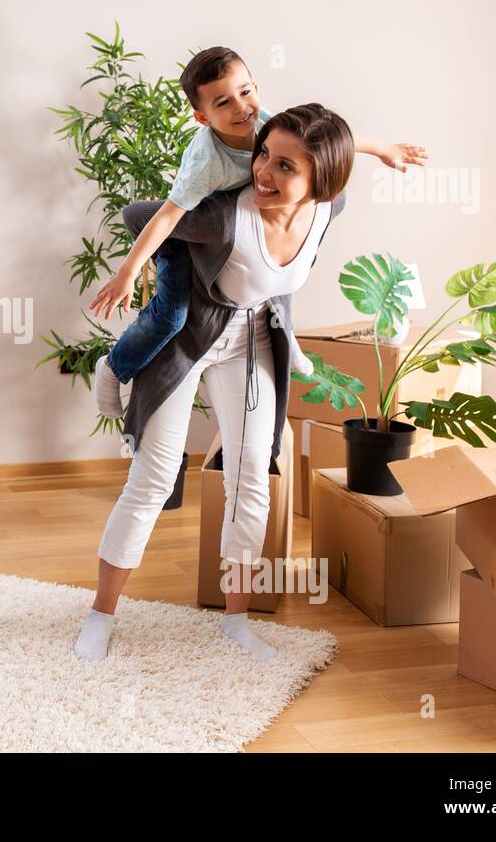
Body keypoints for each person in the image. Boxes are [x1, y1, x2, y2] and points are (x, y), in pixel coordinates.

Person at [75, 103, 364, 662]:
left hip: (254, 338)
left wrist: (380, 147)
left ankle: (235, 621)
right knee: (155, 477)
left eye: (285, 167)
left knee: (252, 474)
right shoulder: (225, 215)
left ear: (321, 182)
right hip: (190, 341)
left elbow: (345, 151)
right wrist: (154, 276)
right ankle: (100, 615)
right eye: (264, 155)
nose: (264, 171)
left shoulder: (329, 209)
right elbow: (141, 214)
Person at [88, 47, 425, 418]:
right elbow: (167, 217)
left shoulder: (266, 123)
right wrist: (128, 272)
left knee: (277, 272)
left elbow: (334, 140)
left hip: (245, 227)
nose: (241, 108)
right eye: (224, 103)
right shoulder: (207, 165)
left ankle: (287, 338)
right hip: (186, 235)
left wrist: (385, 150)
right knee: (172, 316)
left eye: (245, 92)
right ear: (202, 117)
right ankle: (114, 368)